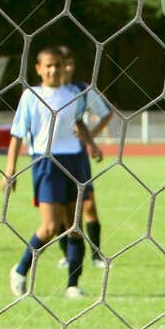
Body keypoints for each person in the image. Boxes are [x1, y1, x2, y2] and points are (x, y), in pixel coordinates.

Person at [4, 45, 100, 297]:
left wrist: (91, 144)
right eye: (48, 65)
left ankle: (72, 285)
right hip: (45, 162)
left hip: (74, 161)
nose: (53, 70)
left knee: (74, 226)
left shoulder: (76, 93)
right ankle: (20, 270)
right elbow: (17, 135)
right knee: (49, 226)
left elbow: (80, 122)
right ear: (38, 69)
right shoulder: (31, 96)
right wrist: (10, 170)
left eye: (57, 65)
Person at [58, 47, 112, 270]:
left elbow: (105, 113)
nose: (67, 68)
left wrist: (91, 142)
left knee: (88, 205)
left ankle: (97, 255)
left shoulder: (82, 90)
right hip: (53, 155)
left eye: (69, 63)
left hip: (77, 155)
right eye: (63, 63)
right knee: (59, 210)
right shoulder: (42, 92)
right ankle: (67, 254)